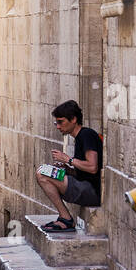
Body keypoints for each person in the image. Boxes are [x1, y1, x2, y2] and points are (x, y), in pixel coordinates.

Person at [35, 99, 102, 232]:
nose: (58, 126)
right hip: (84, 185)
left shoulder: (86, 134)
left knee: (42, 174)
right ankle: (64, 217)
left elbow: (92, 167)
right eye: (56, 122)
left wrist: (68, 160)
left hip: (92, 191)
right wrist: (68, 170)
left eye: (61, 122)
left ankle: (66, 218)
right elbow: (84, 171)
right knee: (44, 170)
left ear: (73, 120)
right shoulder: (79, 137)